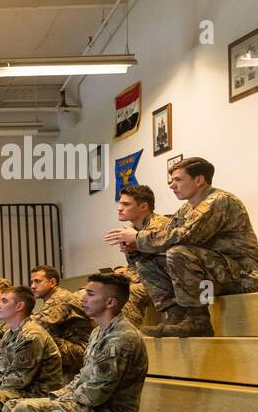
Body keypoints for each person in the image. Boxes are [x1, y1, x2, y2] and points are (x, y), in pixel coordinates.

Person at [2, 272, 149, 412]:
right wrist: (59, 395)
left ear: (110, 302)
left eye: (90, 294)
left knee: (25, 410)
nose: (82, 299)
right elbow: (82, 376)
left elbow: (94, 395)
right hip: (90, 407)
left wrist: (62, 398)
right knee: (11, 406)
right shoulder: (100, 331)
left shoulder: (121, 338)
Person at [104, 158, 258, 337]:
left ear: (199, 180)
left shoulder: (219, 200)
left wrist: (138, 237)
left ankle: (198, 321)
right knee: (148, 260)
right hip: (214, 273)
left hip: (244, 274)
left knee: (178, 252)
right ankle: (176, 317)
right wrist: (135, 248)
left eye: (178, 180)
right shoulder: (186, 209)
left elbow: (184, 236)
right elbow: (164, 238)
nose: (172, 185)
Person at [105, 186, 165, 330]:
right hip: (146, 278)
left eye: (126, 204)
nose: (119, 208)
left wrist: (137, 244)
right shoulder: (132, 230)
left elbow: (165, 263)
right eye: (120, 203)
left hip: (165, 280)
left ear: (143, 206)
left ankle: (128, 341)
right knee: (99, 291)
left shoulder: (159, 225)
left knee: (128, 292)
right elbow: (134, 268)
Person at [27, 265, 93, 379]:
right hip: (72, 347)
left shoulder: (60, 298)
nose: (32, 286)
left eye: (37, 282)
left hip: (82, 351)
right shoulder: (53, 297)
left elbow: (36, 325)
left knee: (36, 339)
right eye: (32, 282)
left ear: (52, 282)